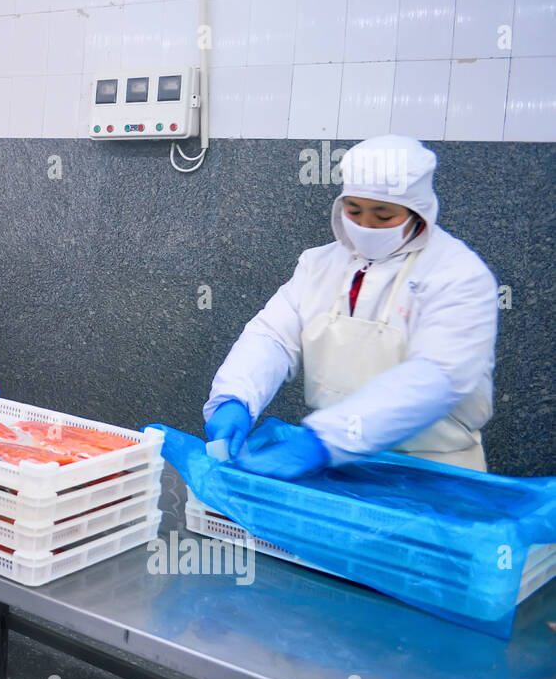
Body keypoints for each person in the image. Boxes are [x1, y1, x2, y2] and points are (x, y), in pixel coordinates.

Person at [204, 134, 498, 477]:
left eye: (383, 215)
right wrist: (235, 397)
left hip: (432, 474)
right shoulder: (319, 265)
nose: (365, 226)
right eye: (354, 211)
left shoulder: (459, 275)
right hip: (340, 470)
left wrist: (326, 439)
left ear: (417, 211)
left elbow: (437, 377)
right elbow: (272, 336)